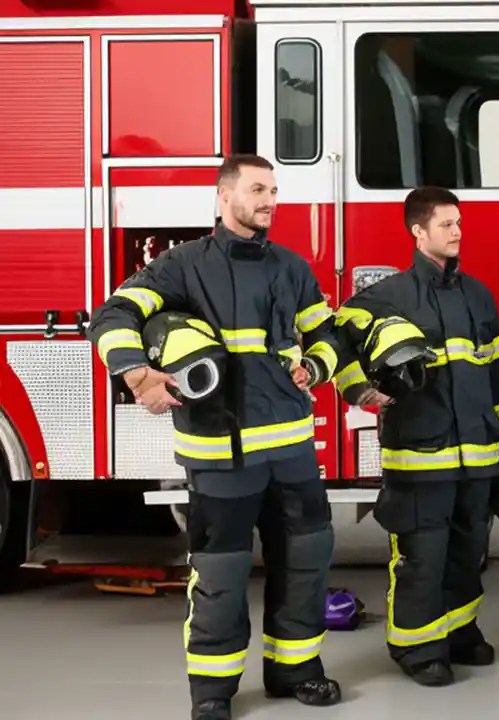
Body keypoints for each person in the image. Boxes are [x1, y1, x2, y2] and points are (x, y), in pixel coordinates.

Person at [88, 154, 343, 720]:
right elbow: (112, 315)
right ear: (224, 196)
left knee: (306, 562)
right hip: (219, 455)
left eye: (274, 190)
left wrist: (318, 367)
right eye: (257, 189)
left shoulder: (291, 266)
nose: (270, 200)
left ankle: (296, 669)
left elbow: (325, 331)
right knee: (221, 576)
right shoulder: (181, 267)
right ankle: (212, 690)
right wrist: (135, 373)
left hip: (292, 451)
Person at [332, 186, 499, 688]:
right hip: (420, 455)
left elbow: (497, 366)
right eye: (445, 224)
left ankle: (460, 632)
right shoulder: (388, 297)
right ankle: (416, 648)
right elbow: (331, 336)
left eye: (459, 223)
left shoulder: (478, 294)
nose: (457, 232)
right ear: (418, 231)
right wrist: (360, 390)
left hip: (476, 452)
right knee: (422, 556)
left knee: (467, 550)